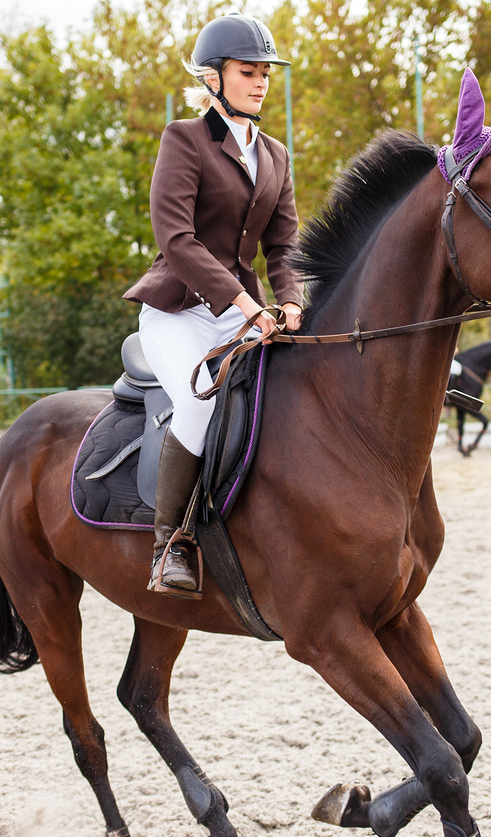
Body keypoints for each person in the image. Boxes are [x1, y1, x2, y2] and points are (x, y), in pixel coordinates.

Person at [124, 13, 304, 593]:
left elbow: (284, 246)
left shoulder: (274, 155)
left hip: (239, 310)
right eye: (248, 72)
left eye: (265, 75)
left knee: (291, 390)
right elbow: (176, 239)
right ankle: (169, 546)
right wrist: (244, 305)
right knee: (201, 404)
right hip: (178, 310)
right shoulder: (185, 139)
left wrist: (293, 301)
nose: (260, 83)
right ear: (213, 78)